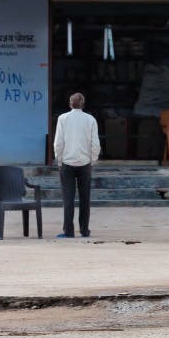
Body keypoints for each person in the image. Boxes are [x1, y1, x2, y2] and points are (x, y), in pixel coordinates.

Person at [53, 93, 100, 238]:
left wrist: (59, 159)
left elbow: (58, 142)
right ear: (83, 104)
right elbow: (95, 143)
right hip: (85, 163)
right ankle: (84, 231)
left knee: (68, 198)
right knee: (85, 199)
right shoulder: (90, 119)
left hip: (67, 163)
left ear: (70, 103)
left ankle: (68, 231)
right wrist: (93, 159)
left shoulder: (63, 118)